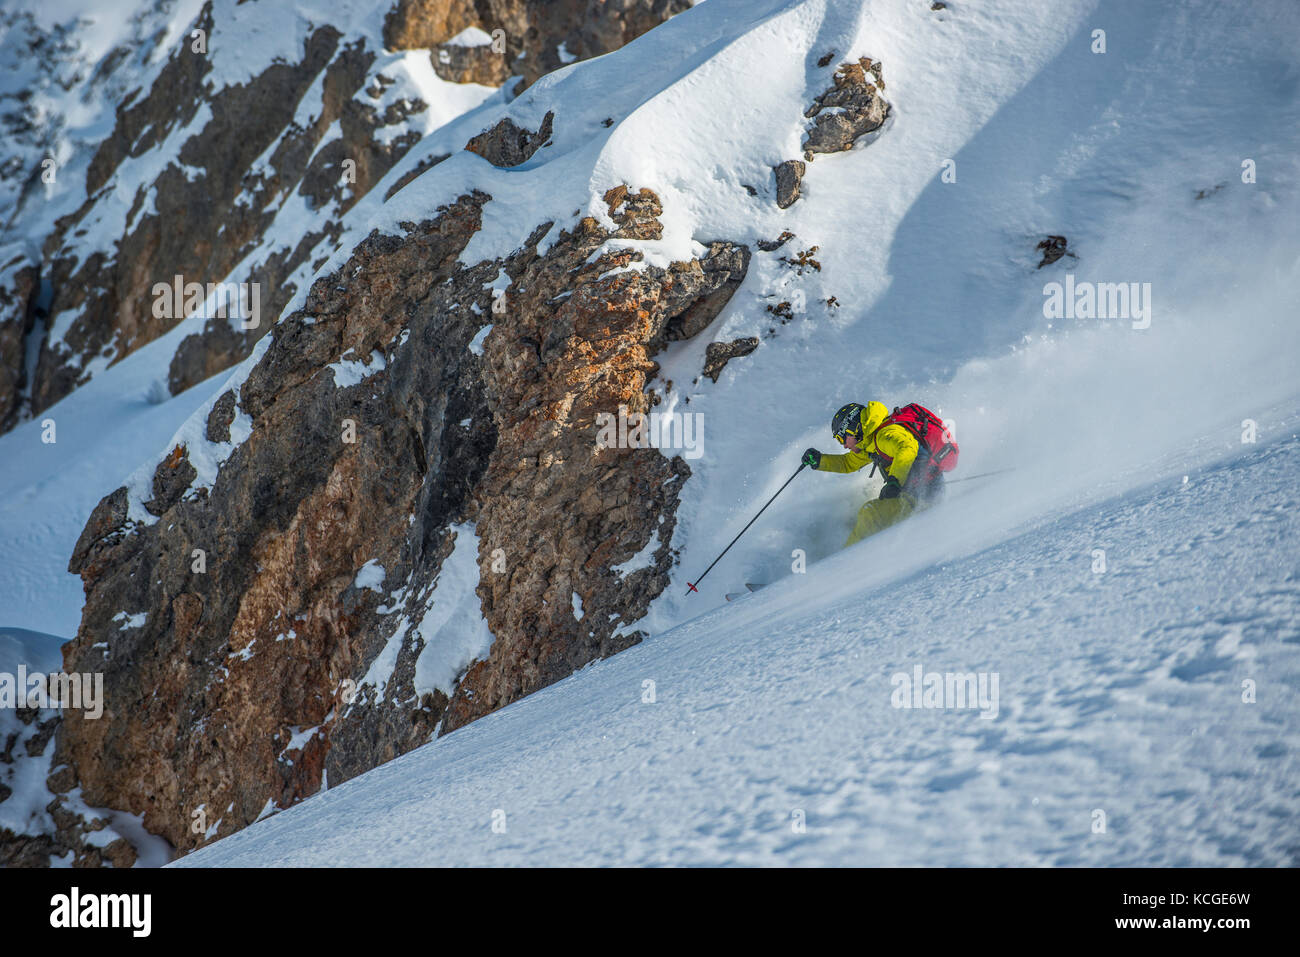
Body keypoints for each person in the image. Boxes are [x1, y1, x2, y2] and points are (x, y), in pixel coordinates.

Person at [801, 401, 958, 546]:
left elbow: (907, 448)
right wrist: (819, 460)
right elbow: (848, 463)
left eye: (842, 437)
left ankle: (845, 563)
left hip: (923, 499)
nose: (843, 444)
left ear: (852, 428)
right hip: (915, 496)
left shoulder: (885, 435)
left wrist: (894, 481)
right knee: (859, 518)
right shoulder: (871, 442)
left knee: (870, 514)